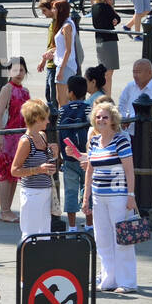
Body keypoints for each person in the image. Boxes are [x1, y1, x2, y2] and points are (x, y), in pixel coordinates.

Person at [84, 101, 138, 293]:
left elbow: (129, 170)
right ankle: (109, 279)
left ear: (112, 119)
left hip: (119, 197)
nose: (101, 120)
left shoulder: (121, 140)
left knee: (122, 238)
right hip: (99, 197)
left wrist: (131, 195)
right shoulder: (95, 141)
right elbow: (89, 170)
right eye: (98, 117)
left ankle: (127, 282)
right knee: (103, 238)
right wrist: (86, 197)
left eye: (105, 117)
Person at [11, 98, 59, 238]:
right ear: (37, 118)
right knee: (29, 234)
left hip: (45, 191)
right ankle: (26, 259)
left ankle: (41, 259)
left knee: (44, 233)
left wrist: (54, 156)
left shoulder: (42, 136)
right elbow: (14, 170)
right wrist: (39, 169)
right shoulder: (26, 141)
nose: (48, 121)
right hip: (31, 193)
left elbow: (47, 164)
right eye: (46, 118)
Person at [0, 58, 31, 223]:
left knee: (14, 174)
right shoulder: (6, 89)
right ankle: (4, 210)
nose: (19, 74)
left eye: (22, 70)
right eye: (15, 70)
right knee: (5, 174)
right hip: (8, 136)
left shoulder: (25, 91)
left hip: (20, 138)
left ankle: (7, 210)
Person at [57, 75, 92, 231]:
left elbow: (58, 135)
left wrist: (59, 156)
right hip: (87, 158)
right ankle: (90, 224)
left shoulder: (62, 111)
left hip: (69, 158)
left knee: (71, 191)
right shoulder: (89, 108)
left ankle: (72, 226)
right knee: (88, 190)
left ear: (70, 93)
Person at [117, 58, 152, 149]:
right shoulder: (130, 86)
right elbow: (122, 103)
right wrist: (123, 117)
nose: (135, 75)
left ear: (149, 73)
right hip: (130, 133)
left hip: (149, 134)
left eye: (138, 72)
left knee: (145, 161)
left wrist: (130, 119)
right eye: (134, 72)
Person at [91, 0, 120, 83]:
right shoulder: (106, 7)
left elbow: (116, 19)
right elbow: (116, 17)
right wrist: (110, 5)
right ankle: (107, 95)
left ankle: (103, 95)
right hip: (109, 41)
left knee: (104, 70)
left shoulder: (94, 7)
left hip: (99, 40)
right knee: (108, 72)